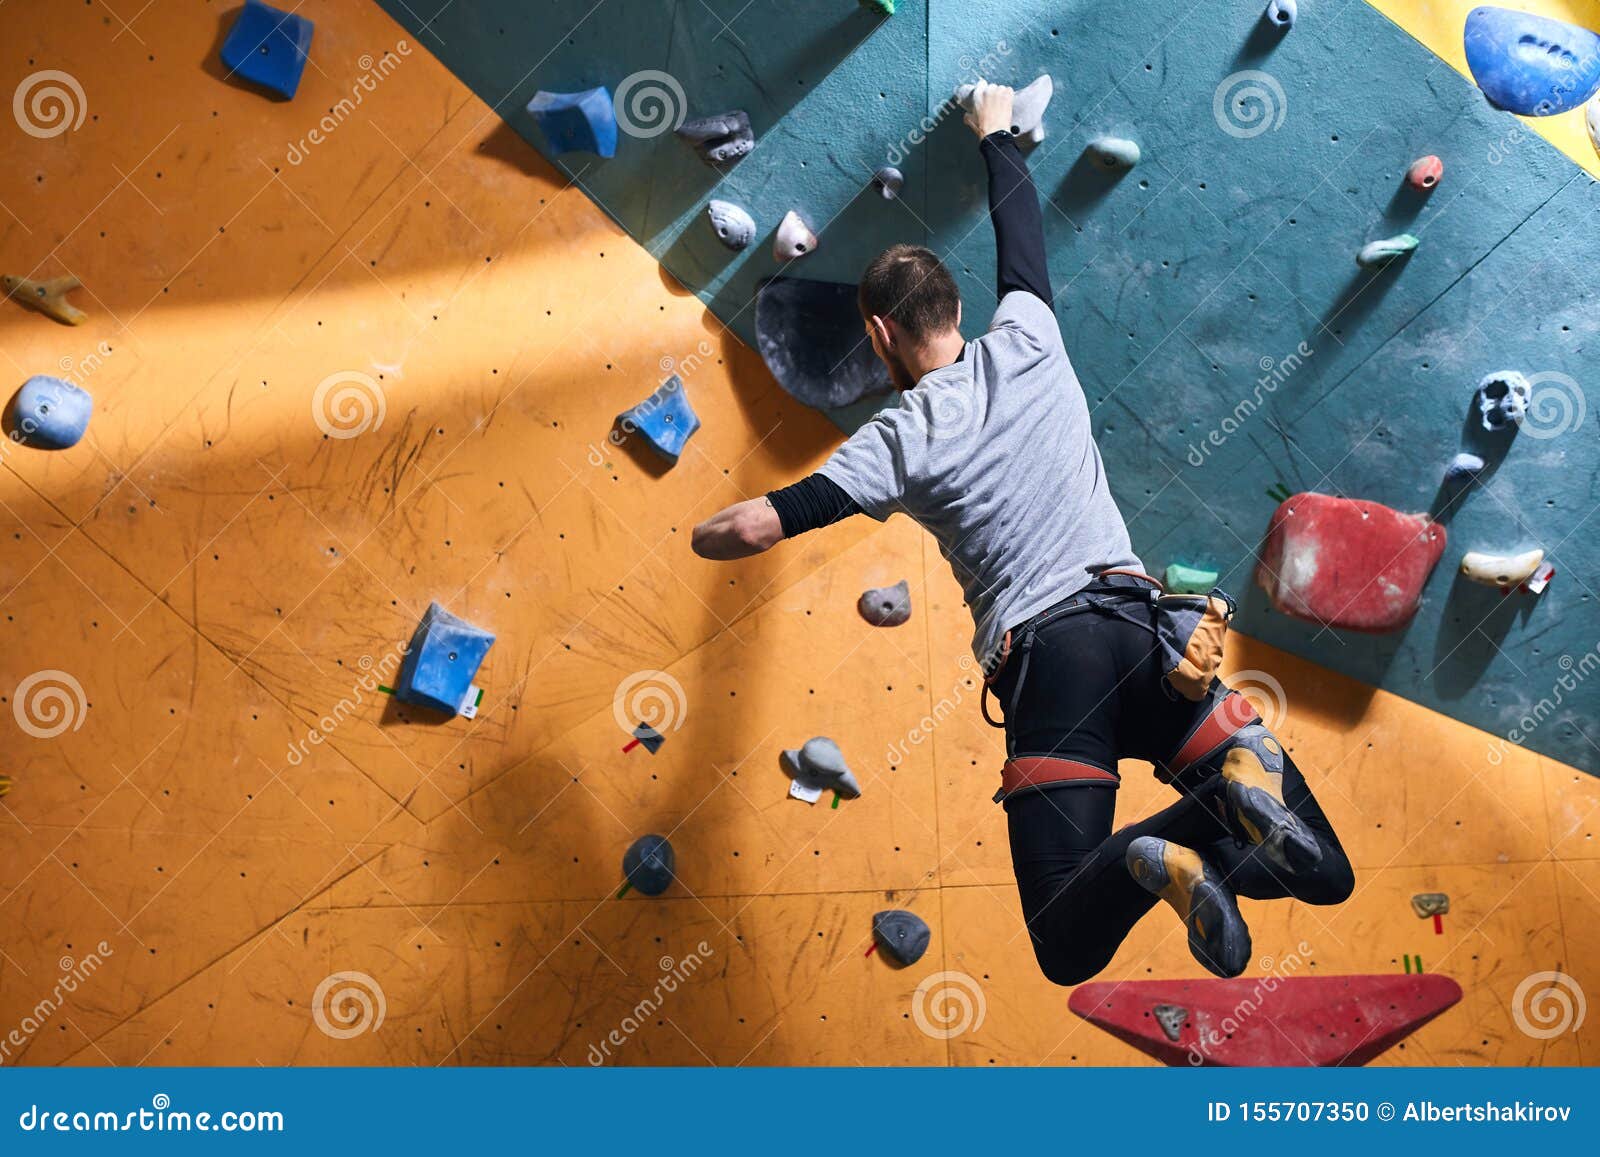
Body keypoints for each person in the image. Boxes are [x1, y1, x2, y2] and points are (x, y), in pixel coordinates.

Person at [691, 82, 1353, 983]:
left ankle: (1153, 853)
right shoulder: (1030, 334)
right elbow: (1020, 236)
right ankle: (1223, 795)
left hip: (1055, 672)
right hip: (1148, 632)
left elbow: (756, 526)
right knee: (1322, 871)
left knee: (1065, 943)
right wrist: (996, 132)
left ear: (880, 334)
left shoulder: (894, 439)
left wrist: (708, 530)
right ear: (959, 313)